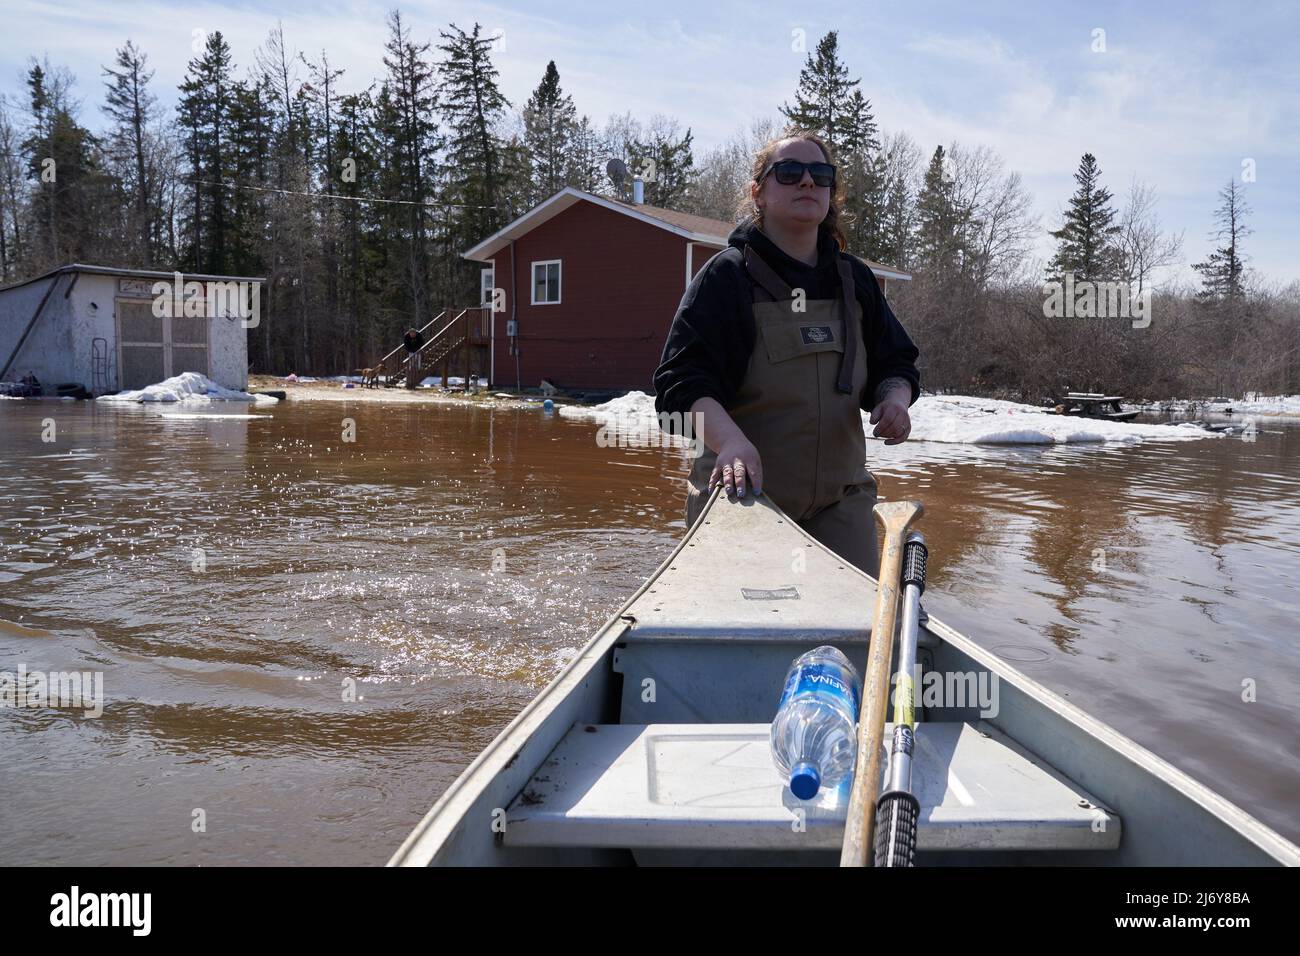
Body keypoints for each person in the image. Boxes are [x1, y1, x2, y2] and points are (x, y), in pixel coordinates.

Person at [652, 129, 920, 577]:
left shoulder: (855, 281)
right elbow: (680, 385)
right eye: (790, 172)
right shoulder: (727, 277)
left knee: (854, 630)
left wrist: (894, 400)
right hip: (745, 496)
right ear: (758, 193)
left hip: (842, 503)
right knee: (743, 632)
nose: (808, 183)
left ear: (832, 193)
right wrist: (731, 443)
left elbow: (895, 363)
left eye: (821, 174)